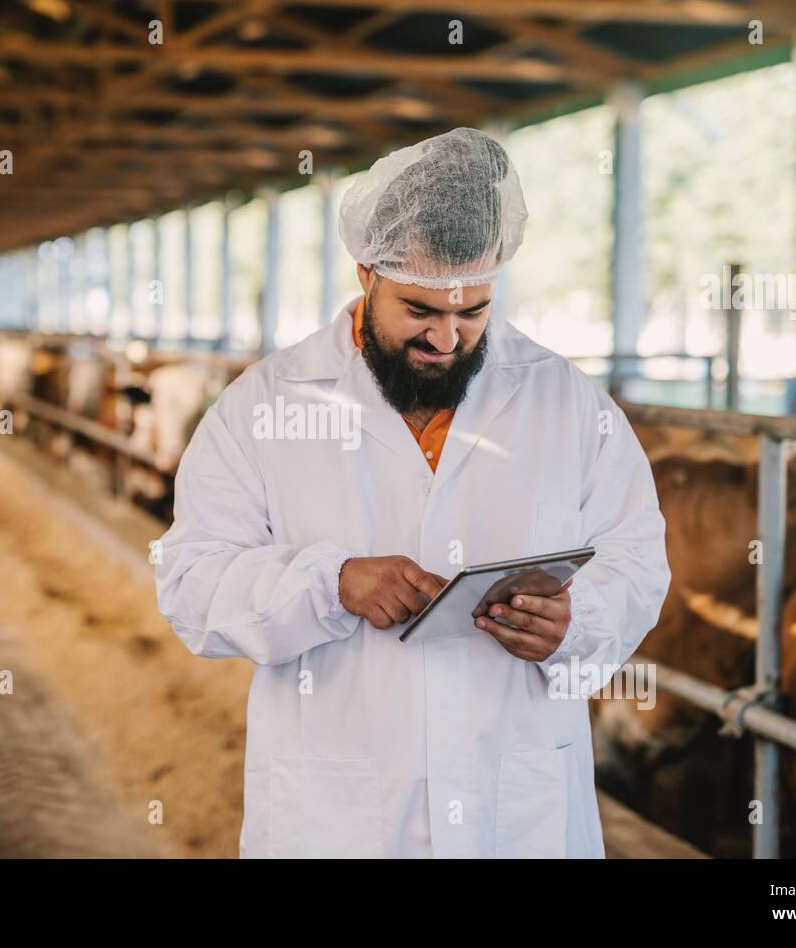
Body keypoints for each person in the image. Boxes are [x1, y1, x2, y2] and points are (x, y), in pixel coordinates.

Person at [154, 126, 670, 857]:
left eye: (473, 311)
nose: (448, 339)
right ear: (367, 272)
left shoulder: (565, 400)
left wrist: (575, 621)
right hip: (337, 812)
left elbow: (638, 561)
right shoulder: (265, 405)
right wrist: (330, 583)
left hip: (516, 807)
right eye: (420, 312)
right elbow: (189, 580)